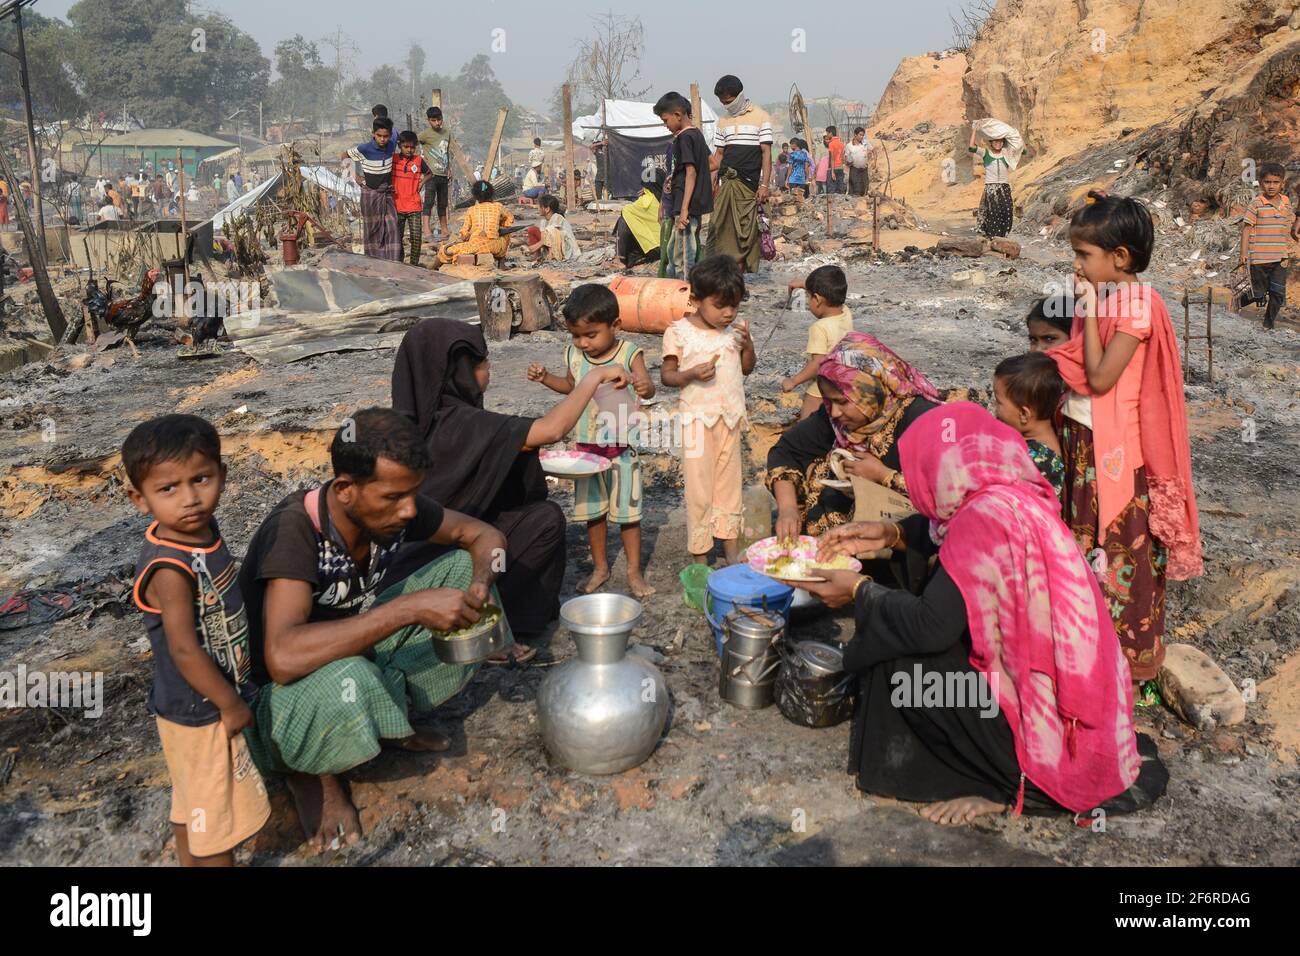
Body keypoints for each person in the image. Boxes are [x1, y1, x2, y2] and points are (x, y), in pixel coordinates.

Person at [800, 403, 1165, 826]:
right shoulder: (1011, 494)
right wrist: (892, 533)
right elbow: (947, 548)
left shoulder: (981, 520)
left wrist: (859, 592)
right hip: (1074, 700)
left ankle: (1003, 781)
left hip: (1038, 722)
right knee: (903, 609)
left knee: (897, 653)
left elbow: (931, 626)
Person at [238, 408, 509, 850]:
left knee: (458, 571)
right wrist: (406, 610)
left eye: (414, 494)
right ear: (345, 489)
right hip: (273, 703)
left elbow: (484, 537)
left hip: (350, 658)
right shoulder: (295, 530)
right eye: (393, 497)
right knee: (352, 675)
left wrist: (478, 587)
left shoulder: (393, 508)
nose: (408, 509)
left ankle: (388, 716)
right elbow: (283, 658)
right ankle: (308, 772)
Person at [392, 318, 634, 651]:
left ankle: (509, 621)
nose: (489, 368)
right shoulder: (459, 422)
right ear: (457, 372)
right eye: (481, 362)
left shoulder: (421, 420)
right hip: (433, 562)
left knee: (543, 518)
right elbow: (550, 430)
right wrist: (593, 378)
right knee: (532, 526)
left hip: (440, 545)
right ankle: (481, 623)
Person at [1049, 191, 1203, 686]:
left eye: (1084, 255)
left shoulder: (1138, 305)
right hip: (1085, 445)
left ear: (1120, 257)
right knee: (1085, 547)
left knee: (1122, 556)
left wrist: (1090, 310)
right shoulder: (1112, 297)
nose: (1076, 265)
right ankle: (1084, 656)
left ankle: (1126, 665)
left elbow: (1097, 378)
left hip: (1112, 455)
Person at [123, 415, 269, 865]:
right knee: (216, 823)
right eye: (168, 489)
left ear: (221, 475)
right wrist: (229, 702)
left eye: (201, 480)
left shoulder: (202, 530)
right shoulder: (169, 567)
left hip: (190, 704)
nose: (190, 499)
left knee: (193, 804)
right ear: (139, 498)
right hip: (198, 707)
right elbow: (184, 648)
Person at [527, 285, 657, 596]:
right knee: (593, 514)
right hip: (585, 451)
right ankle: (600, 567)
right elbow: (571, 387)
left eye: (591, 335)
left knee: (629, 515)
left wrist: (640, 384)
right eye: (576, 336)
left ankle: (634, 572)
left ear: (615, 326)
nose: (583, 343)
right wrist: (546, 379)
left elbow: (649, 388)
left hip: (621, 450)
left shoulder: (628, 353)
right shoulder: (574, 354)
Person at [767, 332, 942, 541]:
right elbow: (786, 450)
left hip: (898, 547)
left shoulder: (921, 419)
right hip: (829, 543)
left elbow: (948, 494)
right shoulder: (834, 418)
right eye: (830, 401)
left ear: (869, 390)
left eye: (842, 401)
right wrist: (788, 509)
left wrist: (883, 476)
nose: (834, 413)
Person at [661, 254, 757, 563]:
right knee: (699, 490)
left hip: (729, 419)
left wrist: (749, 347)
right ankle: (701, 553)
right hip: (697, 423)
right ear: (696, 299)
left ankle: (730, 548)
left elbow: (746, 369)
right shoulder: (678, 332)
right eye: (720, 306)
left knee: (729, 488)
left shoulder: (735, 332)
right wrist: (690, 374)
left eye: (735, 306)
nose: (729, 313)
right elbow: (668, 376)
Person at [707, 74, 773, 274]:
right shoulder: (722, 122)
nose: (726, 105)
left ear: (739, 96)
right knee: (718, 227)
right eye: (722, 102)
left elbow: (766, 154)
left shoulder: (762, 117)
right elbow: (718, 156)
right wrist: (705, 177)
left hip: (749, 186)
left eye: (728, 101)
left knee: (744, 232)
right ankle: (721, 274)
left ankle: (739, 277)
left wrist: (764, 185)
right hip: (726, 183)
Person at [781, 265, 855, 420]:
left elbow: (818, 363)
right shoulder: (845, 312)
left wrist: (793, 381)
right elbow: (830, 293)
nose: (808, 301)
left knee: (806, 425)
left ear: (817, 299)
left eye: (809, 297)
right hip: (843, 382)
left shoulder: (819, 328)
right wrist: (805, 285)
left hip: (819, 389)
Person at [993, 352, 1066, 502]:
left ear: (1024, 414)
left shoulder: (1037, 459)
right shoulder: (1042, 434)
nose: (994, 408)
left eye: (999, 402)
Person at [655, 91, 713, 279]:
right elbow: (711, 162)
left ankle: (686, 291)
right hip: (687, 203)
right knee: (674, 249)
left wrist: (685, 208)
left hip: (685, 204)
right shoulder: (696, 135)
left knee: (684, 254)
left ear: (678, 115)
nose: (665, 126)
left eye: (665, 120)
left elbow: (691, 172)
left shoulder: (684, 138)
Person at [1240, 162, 1298, 330]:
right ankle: (1235, 302)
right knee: (1258, 293)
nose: (1271, 186)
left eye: (1275, 182)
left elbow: (1288, 222)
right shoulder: (1256, 204)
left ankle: (1268, 324)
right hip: (1259, 258)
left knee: (1278, 293)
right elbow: (1246, 229)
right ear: (1261, 182)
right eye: (1267, 182)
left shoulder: (1286, 202)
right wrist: (1243, 253)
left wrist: (1294, 233)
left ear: (1282, 183)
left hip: (1280, 257)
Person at [344, 117, 400, 260]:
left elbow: (397, 135)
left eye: (385, 136)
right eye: (379, 136)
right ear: (373, 134)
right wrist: (355, 176)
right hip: (370, 195)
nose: (382, 139)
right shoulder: (365, 149)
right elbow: (344, 155)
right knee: (373, 230)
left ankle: (392, 259)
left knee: (392, 226)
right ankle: (374, 260)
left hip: (386, 194)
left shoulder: (391, 145)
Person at [437, 179, 514, 266]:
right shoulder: (498, 206)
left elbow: (464, 233)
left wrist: (466, 237)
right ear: (491, 194)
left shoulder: (471, 210)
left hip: (475, 245)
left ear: (475, 196)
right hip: (495, 246)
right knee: (507, 232)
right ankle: (501, 263)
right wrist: (502, 226)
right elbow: (510, 218)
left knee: (444, 251)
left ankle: (433, 268)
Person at [391, 130, 431, 266]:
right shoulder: (393, 159)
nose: (409, 150)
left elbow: (429, 173)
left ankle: (414, 265)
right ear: (400, 146)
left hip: (414, 205)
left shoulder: (418, 160)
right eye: (406, 147)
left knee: (416, 237)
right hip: (397, 205)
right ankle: (400, 263)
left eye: (412, 147)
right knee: (398, 238)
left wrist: (421, 183)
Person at [611, 170, 663, 269]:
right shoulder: (666, 199)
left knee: (623, 220)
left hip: (655, 249)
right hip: (666, 247)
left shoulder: (647, 200)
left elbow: (625, 210)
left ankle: (619, 260)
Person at [969, 123, 1014, 238]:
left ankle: (1003, 236)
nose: (998, 144)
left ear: (1003, 143)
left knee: (1007, 210)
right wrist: (974, 130)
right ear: (991, 143)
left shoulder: (1006, 154)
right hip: (991, 188)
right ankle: (992, 237)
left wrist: (1013, 134)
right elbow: (971, 147)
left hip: (1004, 187)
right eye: (995, 142)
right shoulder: (986, 153)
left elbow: (1022, 151)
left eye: (1000, 142)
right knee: (993, 213)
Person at [419, 107, 453, 242]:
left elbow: (446, 153)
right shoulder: (425, 134)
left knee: (442, 203)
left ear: (442, 119)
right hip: (431, 175)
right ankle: (426, 230)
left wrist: (449, 168)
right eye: (433, 120)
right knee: (428, 202)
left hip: (443, 174)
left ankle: (444, 229)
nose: (437, 123)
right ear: (429, 121)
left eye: (439, 120)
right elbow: (410, 143)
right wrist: (421, 162)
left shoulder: (447, 133)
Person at [524, 194, 578, 262]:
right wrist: (530, 249)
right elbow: (544, 239)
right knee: (532, 229)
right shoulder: (544, 221)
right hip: (551, 242)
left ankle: (552, 256)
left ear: (547, 209)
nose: (538, 209)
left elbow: (546, 240)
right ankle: (537, 256)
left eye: (540, 207)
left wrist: (530, 249)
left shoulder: (558, 218)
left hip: (565, 249)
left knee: (551, 231)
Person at [845, 127, 872, 197]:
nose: (862, 137)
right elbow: (846, 160)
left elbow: (873, 150)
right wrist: (849, 162)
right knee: (855, 190)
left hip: (864, 170)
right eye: (860, 135)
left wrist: (874, 162)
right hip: (854, 170)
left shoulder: (865, 143)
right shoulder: (849, 146)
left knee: (865, 188)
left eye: (863, 135)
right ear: (855, 135)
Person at [825, 125, 846, 195]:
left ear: (831, 133)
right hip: (840, 168)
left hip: (833, 168)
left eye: (827, 133)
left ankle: (833, 204)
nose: (827, 135)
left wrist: (832, 172)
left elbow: (832, 158)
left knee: (832, 190)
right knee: (840, 188)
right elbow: (843, 157)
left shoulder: (831, 144)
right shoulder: (842, 144)